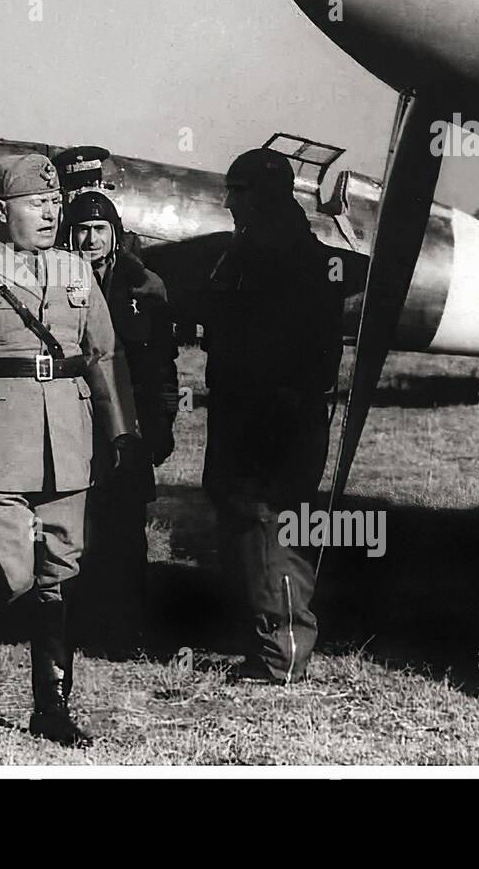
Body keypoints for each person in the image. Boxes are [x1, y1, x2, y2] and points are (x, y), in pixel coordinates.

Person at [0, 153, 140, 746]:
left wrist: (121, 431)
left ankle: (51, 708)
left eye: (53, 203)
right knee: (11, 571)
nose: (49, 211)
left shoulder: (76, 271)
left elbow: (104, 356)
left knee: (59, 572)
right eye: (35, 203)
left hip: (67, 440)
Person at [202, 148, 344, 684]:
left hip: (275, 415)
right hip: (249, 410)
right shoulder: (261, 250)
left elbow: (297, 352)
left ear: (259, 194)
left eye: (235, 192)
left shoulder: (284, 257)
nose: (229, 203)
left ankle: (282, 652)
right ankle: (263, 640)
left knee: (271, 524)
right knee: (247, 517)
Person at [65, 190, 178, 654]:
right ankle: (70, 625)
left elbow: (161, 365)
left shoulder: (144, 285)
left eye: (98, 230)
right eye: (81, 231)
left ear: (114, 236)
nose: (90, 239)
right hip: (69, 420)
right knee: (71, 525)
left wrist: (160, 424)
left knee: (124, 529)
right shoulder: (53, 281)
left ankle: (124, 628)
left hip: (127, 425)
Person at [51, 144, 144, 257]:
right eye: (75, 192)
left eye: (88, 188)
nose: (84, 200)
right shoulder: (51, 238)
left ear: (100, 189)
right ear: (64, 195)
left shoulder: (126, 241)